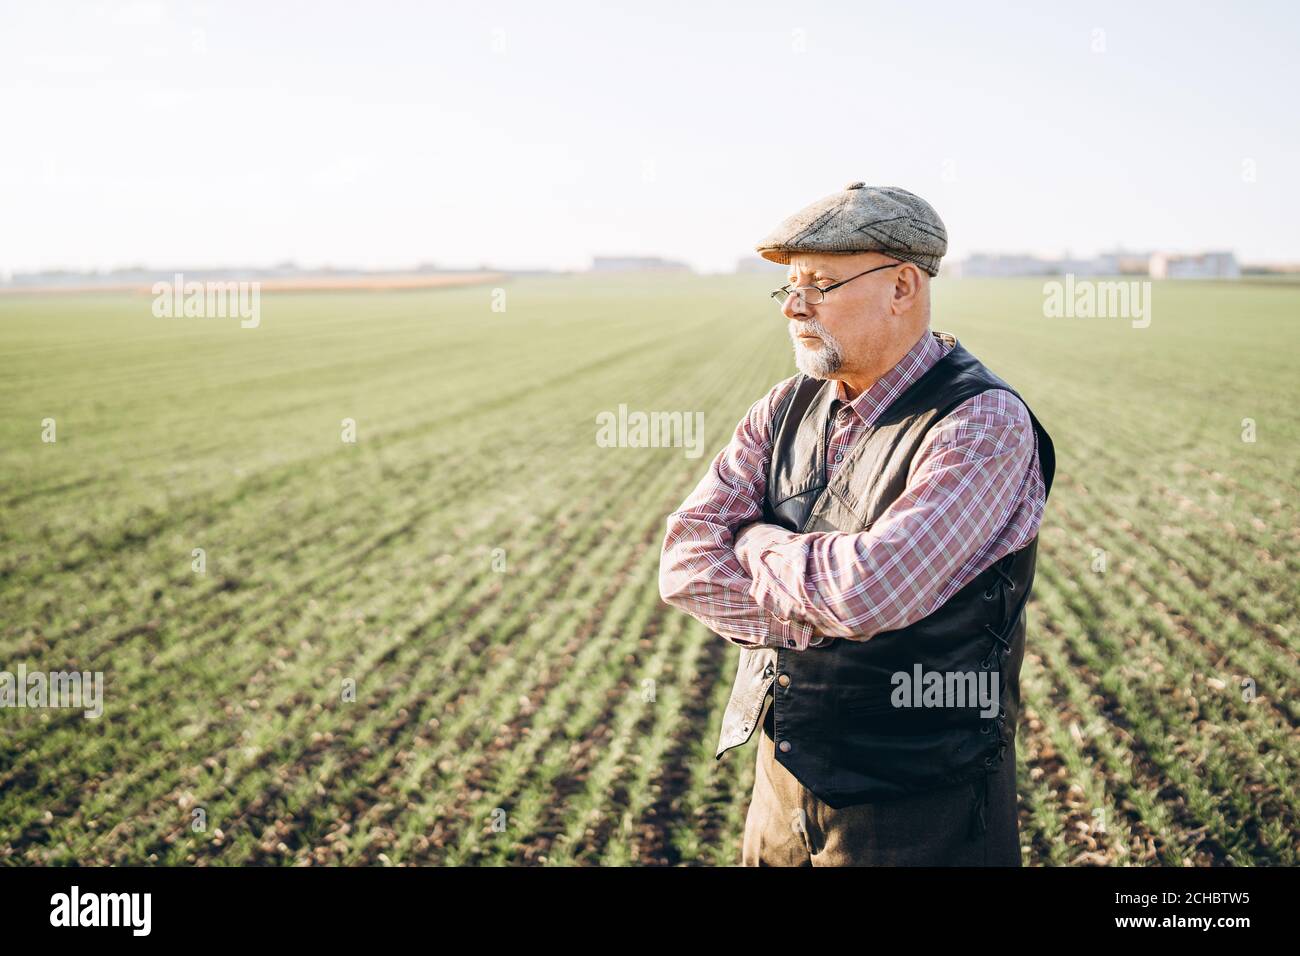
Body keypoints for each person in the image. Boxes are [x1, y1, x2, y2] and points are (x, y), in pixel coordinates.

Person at [658, 181, 1057, 865]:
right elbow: (685, 563)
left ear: (903, 286)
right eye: (788, 286)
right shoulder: (783, 406)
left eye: (820, 284)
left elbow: (869, 593)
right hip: (781, 784)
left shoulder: (980, 422)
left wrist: (755, 541)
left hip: (920, 805)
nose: (793, 305)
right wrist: (818, 613)